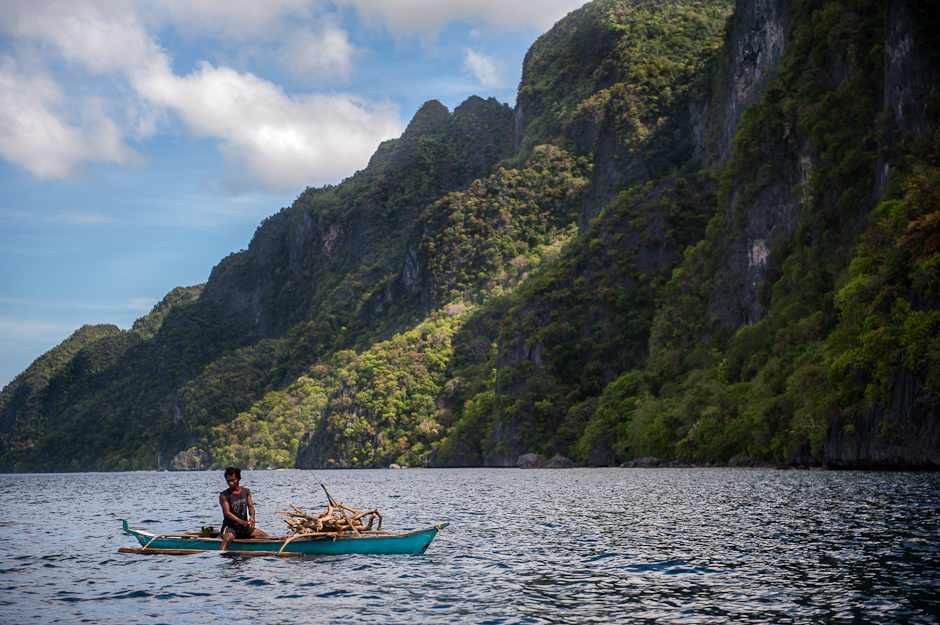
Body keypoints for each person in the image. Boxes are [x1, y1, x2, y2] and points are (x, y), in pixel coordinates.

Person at [219, 466, 267, 550]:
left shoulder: (246, 492)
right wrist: (241, 522)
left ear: (239, 479)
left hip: (244, 528)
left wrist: (252, 517)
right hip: (230, 527)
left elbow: (250, 506)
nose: (230, 483)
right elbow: (227, 513)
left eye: (233, 480)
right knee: (227, 539)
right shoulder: (224, 495)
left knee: (266, 537)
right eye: (228, 480)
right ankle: (220, 555)